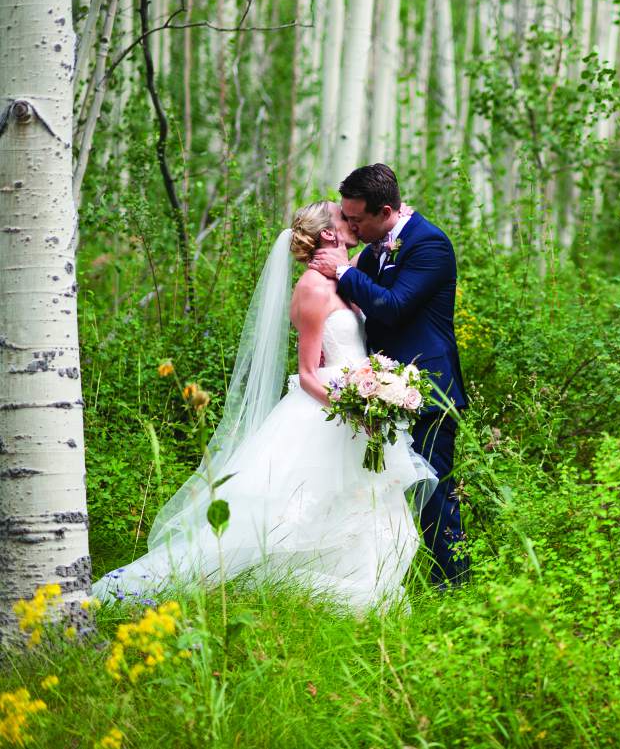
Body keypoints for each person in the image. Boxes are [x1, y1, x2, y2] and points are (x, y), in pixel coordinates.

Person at [92, 202, 438, 612]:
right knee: (292, 514)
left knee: (363, 504)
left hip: (358, 403)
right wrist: (355, 411)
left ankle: (360, 581)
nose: (355, 223)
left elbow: (382, 253)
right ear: (328, 233)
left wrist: (400, 216)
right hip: (332, 410)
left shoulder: (345, 275)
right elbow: (308, 372)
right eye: (346, 219)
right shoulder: (311, 287)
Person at [308, 163, 470, 587]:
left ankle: (455, 589)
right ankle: (391, 579)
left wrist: (342, 272)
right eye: (347, 218)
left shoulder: (430, 244)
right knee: (386, 495)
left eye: (357, 219)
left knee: (434, 496)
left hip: (429, 393)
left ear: (384, 211)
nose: (352, 227)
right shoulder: (380, 244)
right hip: (384, 391)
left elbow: (394, 306)